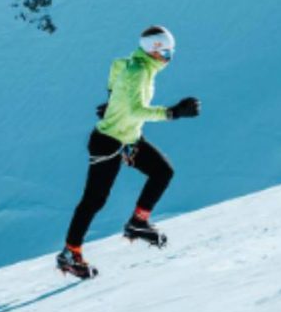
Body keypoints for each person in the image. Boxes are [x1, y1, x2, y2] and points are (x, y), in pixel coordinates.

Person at [57, 25, 201, 279]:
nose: (169, 58)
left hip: (128, 138)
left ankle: (138, 222)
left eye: (171, 53)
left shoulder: (132, 64)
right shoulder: (140, 71)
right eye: (166, 53)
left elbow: (115, 67)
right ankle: (70, 253)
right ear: (153, 51)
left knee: (162, 171)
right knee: (94, 200)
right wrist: (173, 113)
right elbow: (136, 110)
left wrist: (113, 100)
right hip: (109, 142)